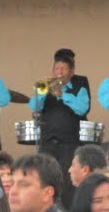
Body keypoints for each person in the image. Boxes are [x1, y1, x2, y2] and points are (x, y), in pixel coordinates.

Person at [28, 50, 92, 183]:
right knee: (45, 179)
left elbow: (83, 109)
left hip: (70, 144)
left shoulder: (80, 89)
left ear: (71, 72)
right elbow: (34, 106)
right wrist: (42, 93)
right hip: (47, 143)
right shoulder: (45, 88)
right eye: (57, 68)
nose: (59, 72)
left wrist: (62, 95)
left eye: (63, 69)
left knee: (68, 181)